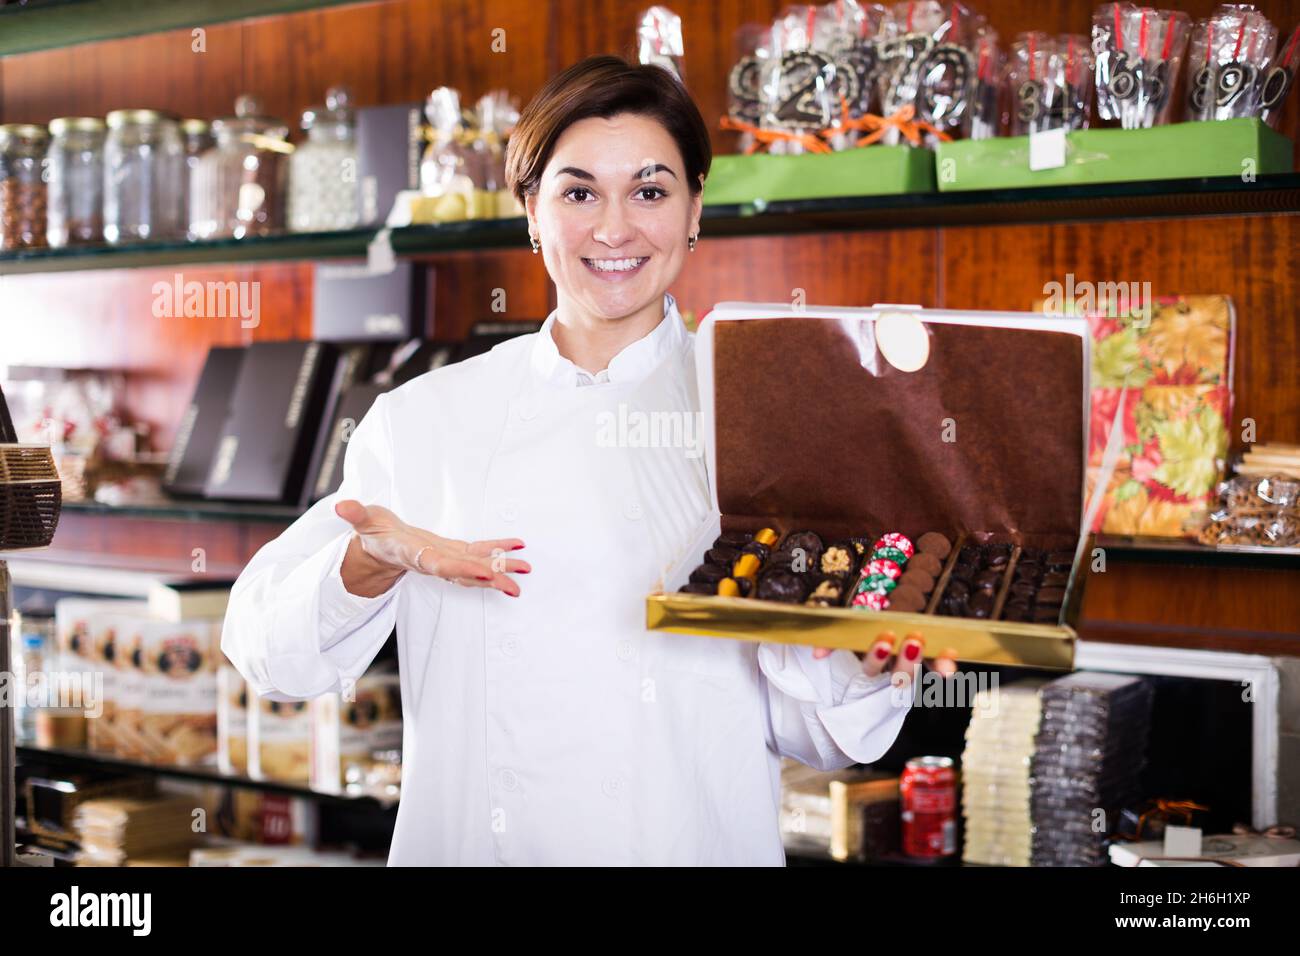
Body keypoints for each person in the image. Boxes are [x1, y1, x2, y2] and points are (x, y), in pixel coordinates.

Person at [222, 54, 943, 866]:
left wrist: (856, 649)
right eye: (577, 193)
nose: (614, 229)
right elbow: (267, 654)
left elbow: (818, 738)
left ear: (695, 208)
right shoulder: (427, 420)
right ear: (531, 211)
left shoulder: (772, 423)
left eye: (649, 189)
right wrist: (366, 565)